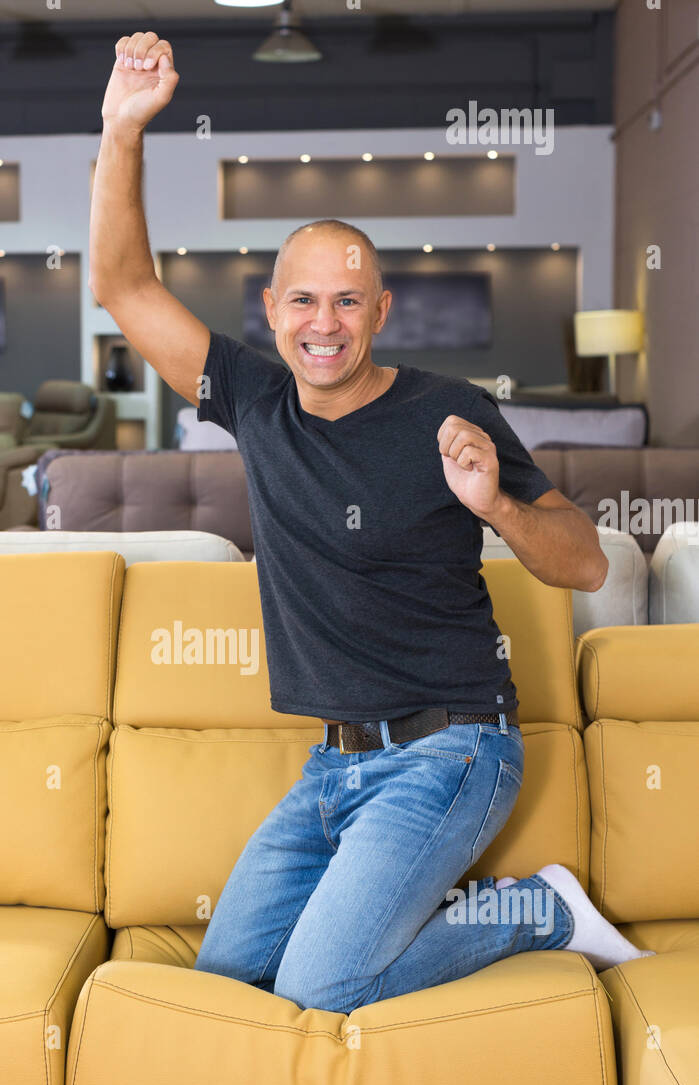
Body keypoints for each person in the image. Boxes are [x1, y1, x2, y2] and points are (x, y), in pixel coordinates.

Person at [90, 31, 652, 1013]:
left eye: (348, 301)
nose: (324, 322)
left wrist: (499, 508)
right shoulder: (253, 401)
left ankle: (541, 912)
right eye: (303, 299)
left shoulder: (450, 410)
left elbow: (585, 566)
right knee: (230, 978)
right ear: (271, 311)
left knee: (324, 981)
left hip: (457, 748)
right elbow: (123, 288)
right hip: (333, 762)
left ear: (381, 310)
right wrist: (122, 129)